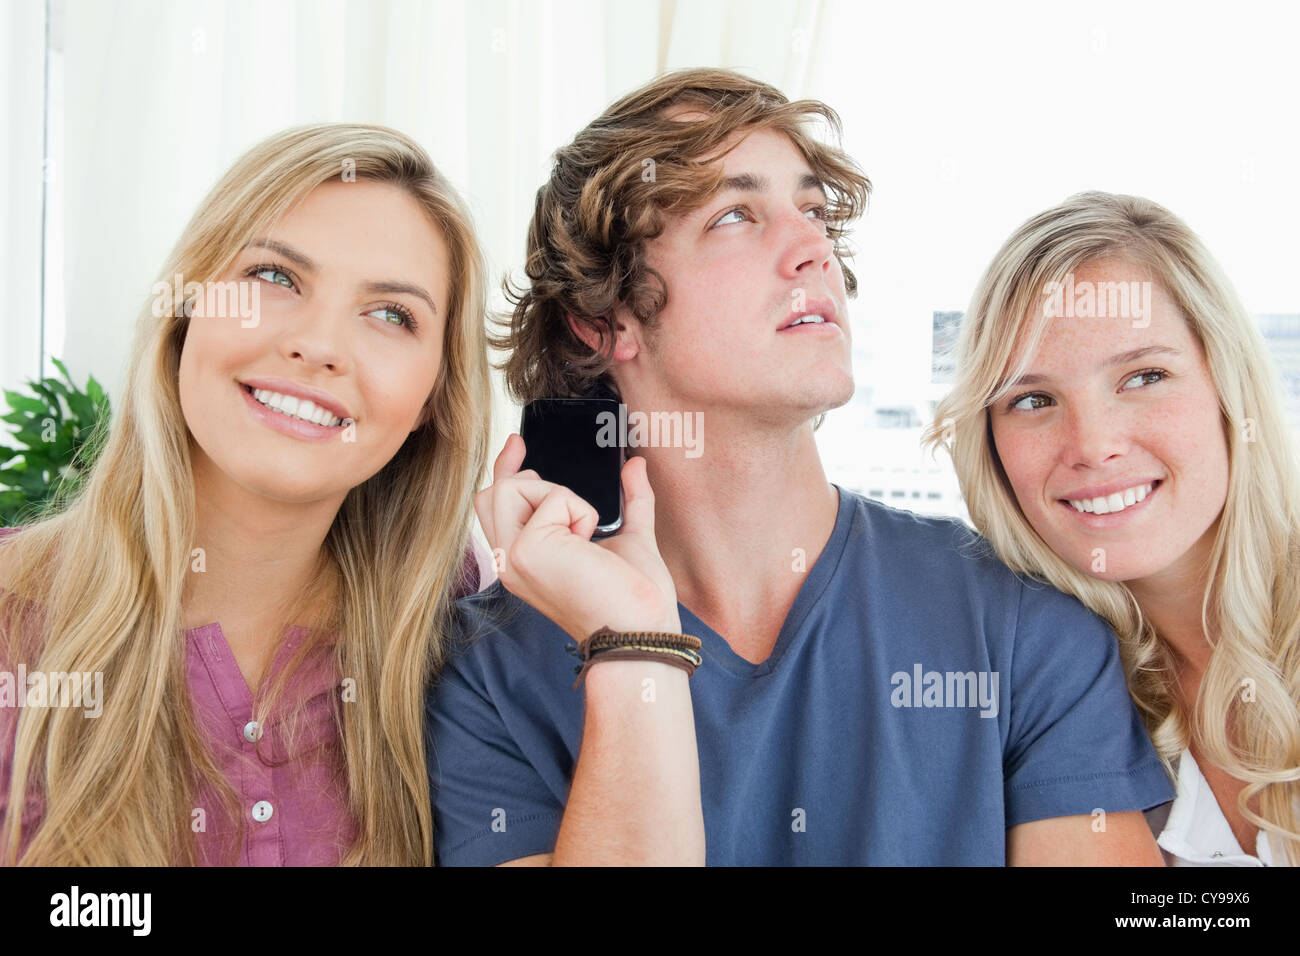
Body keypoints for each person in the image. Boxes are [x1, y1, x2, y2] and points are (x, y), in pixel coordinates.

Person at [425, 69, 1173, 866]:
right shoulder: (487, 677)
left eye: (813, 211)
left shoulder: (1023, 629)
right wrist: (629, 648)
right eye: (737, 214)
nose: (813, 248)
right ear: (604, 324)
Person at [0, 123, 491, 865]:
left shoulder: (458, 635)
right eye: (275, 277)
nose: (319, 345)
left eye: (392, 314)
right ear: (187, 306)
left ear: (433, 398)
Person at [925, 191, 1300, 866]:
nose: (1093, 445)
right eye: (1033, 399)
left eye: (1144, 376)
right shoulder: (1040, 692)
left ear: (1228, 386)